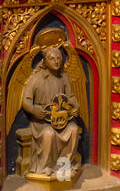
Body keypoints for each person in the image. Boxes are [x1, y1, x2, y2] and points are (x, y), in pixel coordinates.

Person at [21, 30, 81, 179]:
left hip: (62, 118)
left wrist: (75, 108)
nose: (56, 61)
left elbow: (71, 97)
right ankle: (45, 166)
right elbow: (26, 101)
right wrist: (34, 110)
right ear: (45, 61)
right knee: (48, 134)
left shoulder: (64, 78)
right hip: (42, 121)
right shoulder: (37, 79)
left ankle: (64, 164)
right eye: (52, 58)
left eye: (59, 58)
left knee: (73, 129)